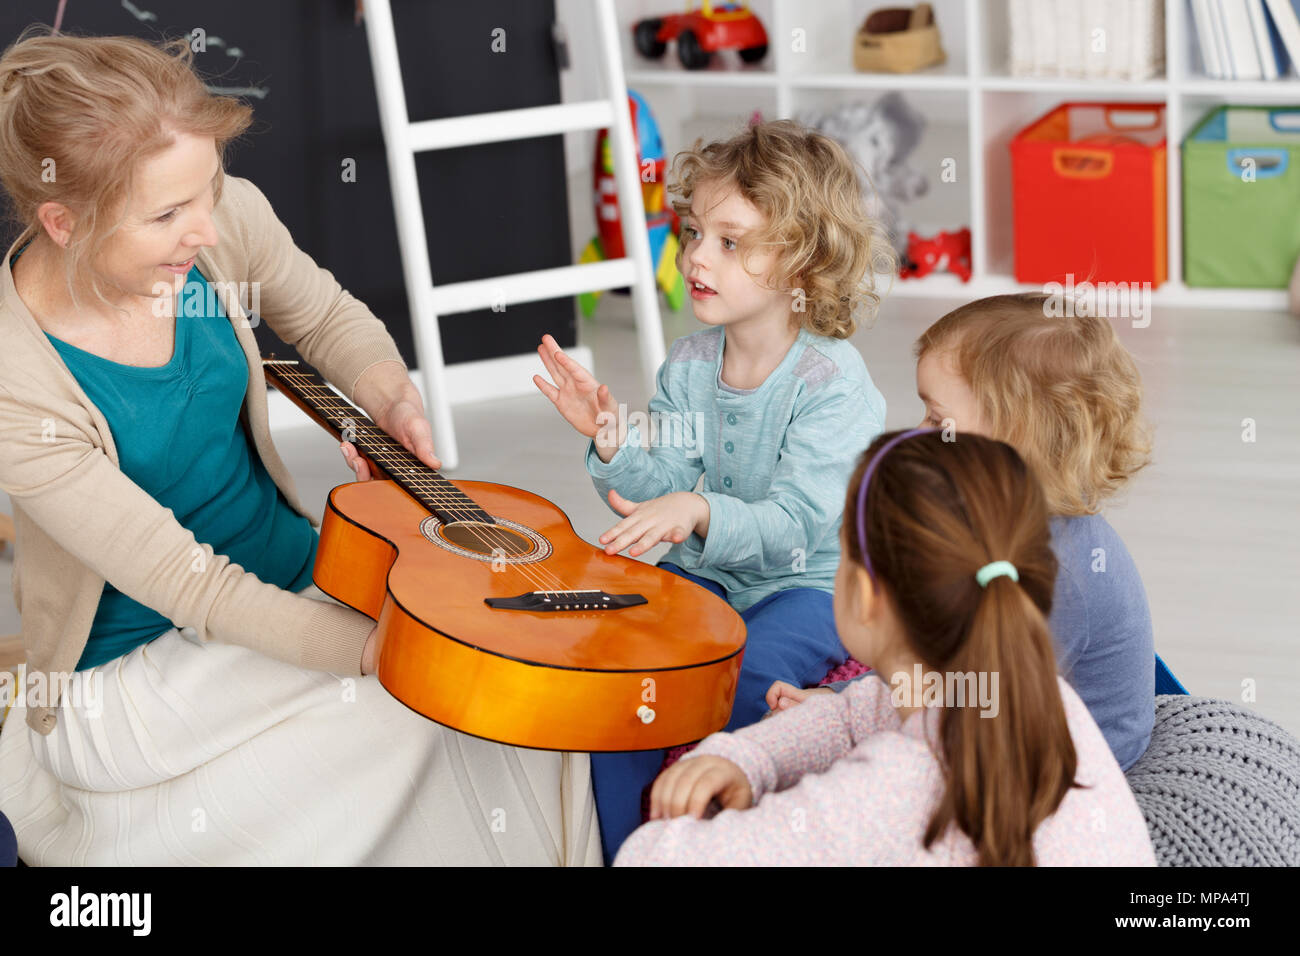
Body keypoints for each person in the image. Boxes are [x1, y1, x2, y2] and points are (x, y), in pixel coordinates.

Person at [0, 28, 599, 866]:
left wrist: (389, 393)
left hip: (303, 576)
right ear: (63, 221)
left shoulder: (211, 222)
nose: (205, 228)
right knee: (439, 698)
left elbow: (321, 315)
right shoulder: (15, 380)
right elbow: (189, 584)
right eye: (168, 214)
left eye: (209, 186)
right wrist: (378, 651)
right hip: (136, 673)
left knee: (508, 671)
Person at [534, 119, 893, 862]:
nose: (696, 255)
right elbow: (657, 484)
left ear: (802, 265)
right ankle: (630, 849)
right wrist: (610, 436)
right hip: (708, 576)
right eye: (695, 231)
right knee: (621, 673)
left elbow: (795, 524)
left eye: (731, 242)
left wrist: (697, 511)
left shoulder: (834, 384)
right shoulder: (692, 362)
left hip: (810, 587)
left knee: (734, 682)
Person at [616, 429, 1157, 866]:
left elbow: (649, 859)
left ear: (867, 596)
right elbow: (856, 714)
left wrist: (683, 816)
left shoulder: (890, 789)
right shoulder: (1029, 692)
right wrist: (748, 756)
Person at [772, 293, 1157, 770]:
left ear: (1017, 439)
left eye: (938, 420)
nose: (918, 431)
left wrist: (844, 719)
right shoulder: (996, 516)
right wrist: (840, 702)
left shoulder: (1058, 572)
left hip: (1070, 762)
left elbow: (967, 696)